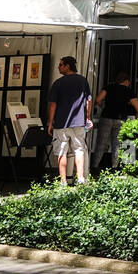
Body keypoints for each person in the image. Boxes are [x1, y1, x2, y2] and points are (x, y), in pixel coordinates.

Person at [47, 56, 92, 186]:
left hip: (61, 123)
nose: (58, 67)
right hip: (79, 122)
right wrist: (87, 117)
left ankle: (63, 181)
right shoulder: (83, 81)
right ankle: (81, 178)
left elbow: (53, 105)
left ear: (68, 66)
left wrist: (51, 122)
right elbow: (89, 100)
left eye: (61, 65)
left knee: (62, 151)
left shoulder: (58, 83)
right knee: (79, 149)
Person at [92, 71, 138, 171]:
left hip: (106, 117)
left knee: (101, 143)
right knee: (117, 144)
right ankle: (114, 167)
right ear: (126, 81)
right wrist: (137, 114)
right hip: (120, 119)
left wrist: (101, 105)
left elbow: (98, 99)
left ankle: (94, 167)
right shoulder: (128, 90)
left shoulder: (109, 87)